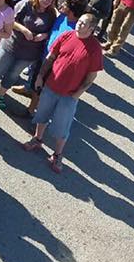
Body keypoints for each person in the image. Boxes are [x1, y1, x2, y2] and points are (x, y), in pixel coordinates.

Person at [22, 13, 103, 173]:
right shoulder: (66, 35)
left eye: (83, 23)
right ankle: (37, 140)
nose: (79, 25)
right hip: (51, 86)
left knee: (62, 126)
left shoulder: (95, 48)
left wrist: (78, 93)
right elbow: (50, 57)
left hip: (69, 94)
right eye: (79, 21)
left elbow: (91, 75)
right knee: (42, 115)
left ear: (92, 28)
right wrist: (39, 76)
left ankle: (57, 155)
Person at [0, 0, 56, 109]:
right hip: (11, 44)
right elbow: (10, 21)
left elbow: (53, 32)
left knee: (13, 75)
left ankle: (0, 95)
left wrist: (44, 35)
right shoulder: (26, 4)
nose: (46, 1)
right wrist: (24, 30)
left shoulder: (51, 14)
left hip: (30, 53)